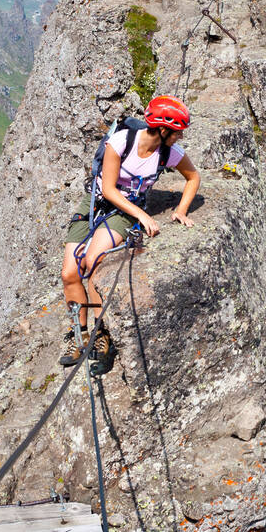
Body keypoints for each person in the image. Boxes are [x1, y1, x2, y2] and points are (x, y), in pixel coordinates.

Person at [60, 96, 200, 372]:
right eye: (177, 130)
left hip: (124, 213)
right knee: (69, 273)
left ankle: (101, 337)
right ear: (163, 129)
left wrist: (181, 210)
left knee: (93, 261)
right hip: (99, 202)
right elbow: (109, 189)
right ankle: (79, 333)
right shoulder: (122, 142)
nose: (180, 136)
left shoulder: (169, 153)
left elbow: (193, 177)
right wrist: (143, 215)